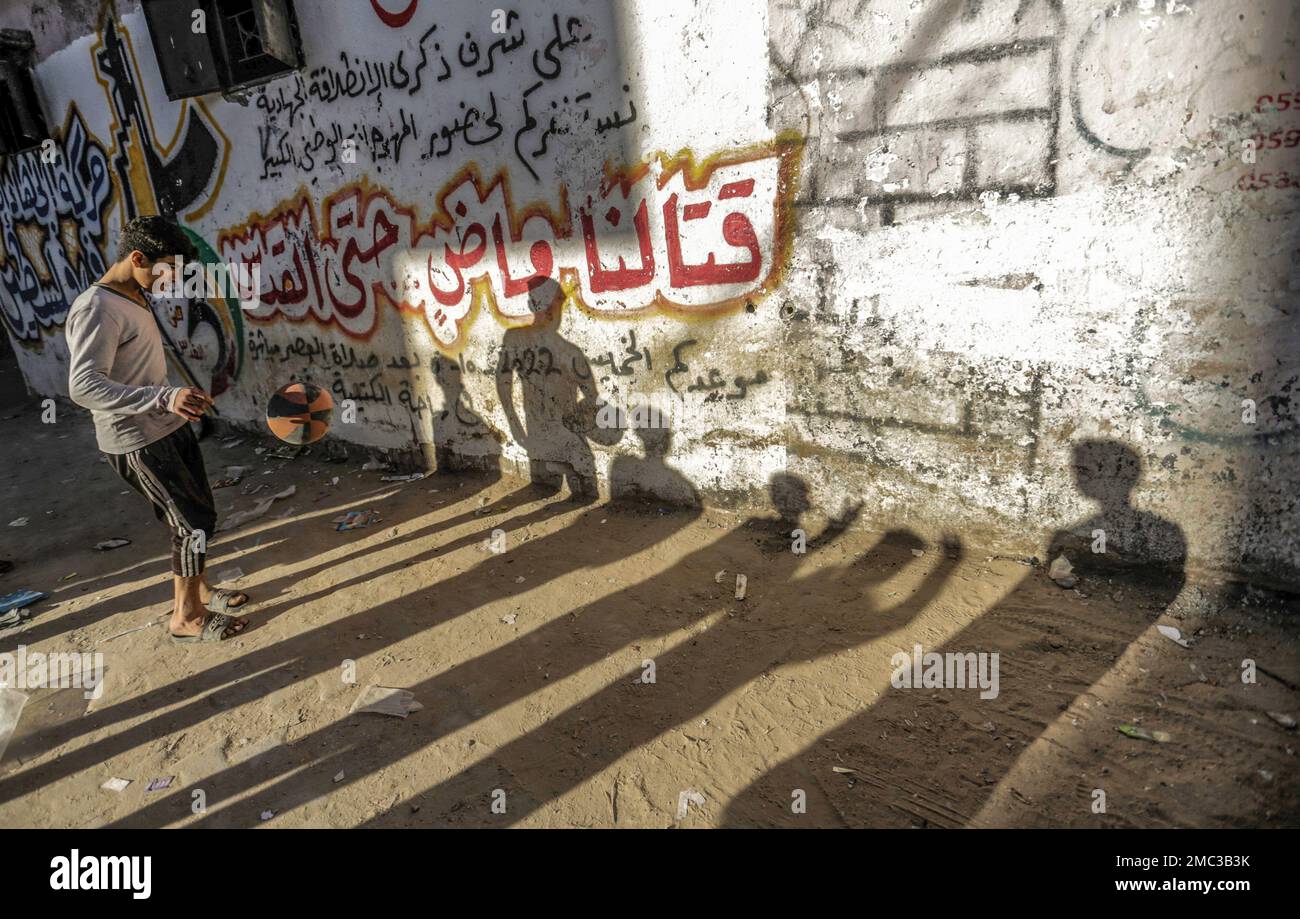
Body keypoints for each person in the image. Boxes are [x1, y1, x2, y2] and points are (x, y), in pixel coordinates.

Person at [65, 215, 249, 642]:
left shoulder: (134, 294)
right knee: (190, 523)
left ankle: (201, 591)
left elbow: (136, 371)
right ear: (136, 257)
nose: (170, 281)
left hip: (167, 425)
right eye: (165, 271)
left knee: (201, 513)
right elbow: (84, 384)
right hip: (135, 439)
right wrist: (163, 398)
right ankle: (186, 617)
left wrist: (176, 396)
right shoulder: (97, 309)